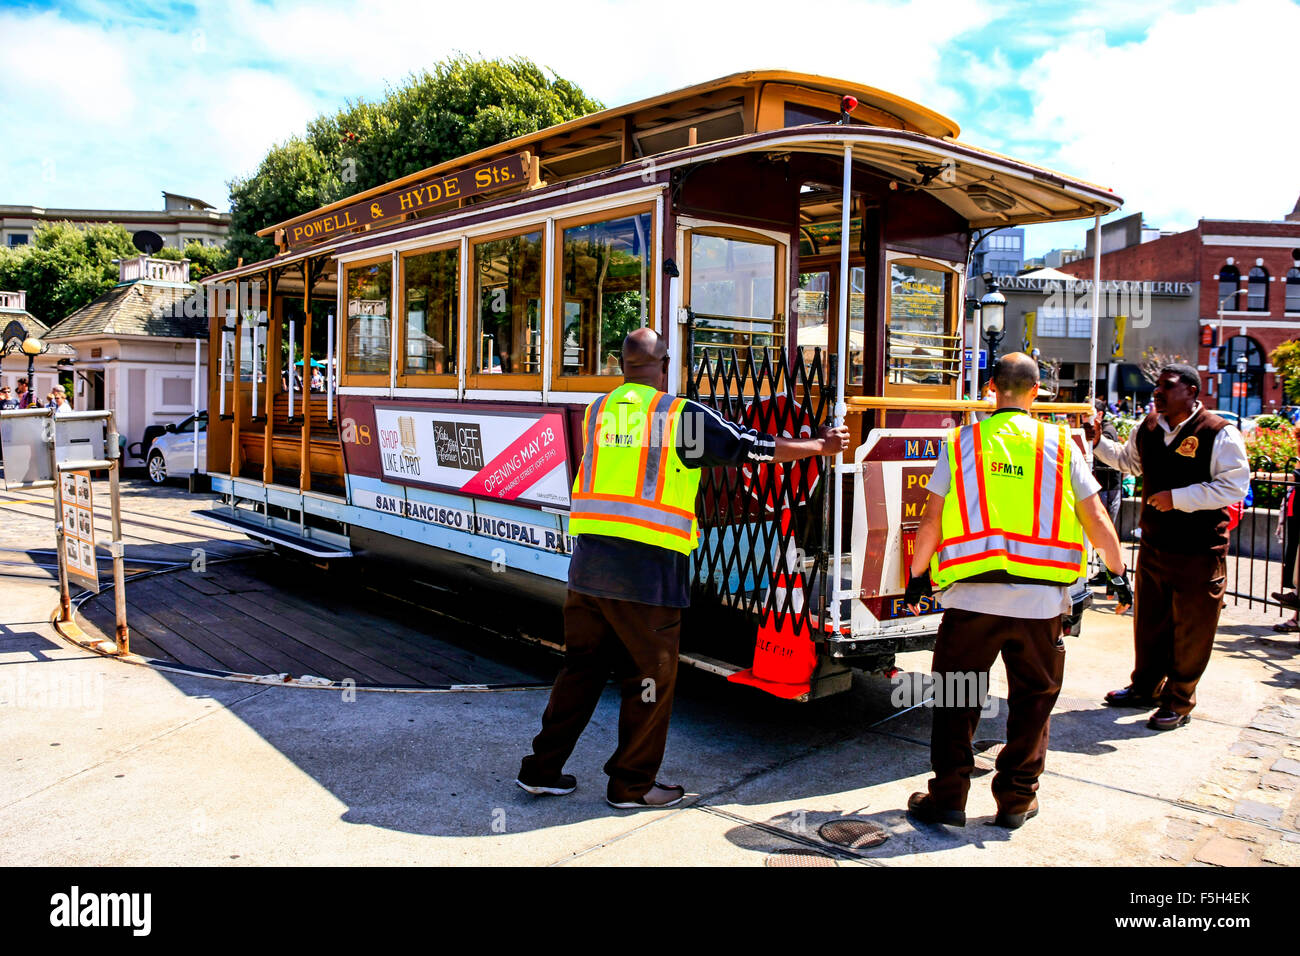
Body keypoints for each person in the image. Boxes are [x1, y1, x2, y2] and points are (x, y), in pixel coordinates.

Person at [517, 328, 849, 808]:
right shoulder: (676, 415)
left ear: (622, 364)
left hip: (589, 569)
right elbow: (749, 446)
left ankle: (541, 769)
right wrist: (819, 446)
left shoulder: (597, 412)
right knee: (650, 678)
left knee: (580, 671)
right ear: (665, 364)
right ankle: (632, 785)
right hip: (647, 573)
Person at [902, 353, 1129, 829]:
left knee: (955, 698)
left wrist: (917, 577)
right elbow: (1097, 518)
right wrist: (1118, 573)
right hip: (1040, 604)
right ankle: (1016, 799)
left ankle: (948, 797)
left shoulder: (962, 442)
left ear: (990, 389)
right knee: (1033, 700)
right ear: (1035, 391)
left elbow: (931, 521)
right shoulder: (1062, 444)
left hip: (970, 601)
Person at [1090, 364, 1250, 731]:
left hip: (1199, 550)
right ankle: (1145, 686)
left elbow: (1235, 487)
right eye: (1157, 386)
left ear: (1192, 392)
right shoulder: (1147, 428)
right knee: (1149, 624)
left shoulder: (1219, 433)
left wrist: (1179, 498)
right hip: (1154, 545)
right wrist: (1098, 442)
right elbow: (1128, 463)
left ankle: (1179, 700)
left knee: (1192, 629)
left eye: (1167, 386)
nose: (1157, 393)